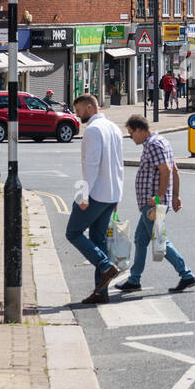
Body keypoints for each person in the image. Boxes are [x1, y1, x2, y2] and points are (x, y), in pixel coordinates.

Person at [117, 115, 195, 294]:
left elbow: (166, 170)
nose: (131, 137)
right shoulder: (162, 142)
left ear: (140, 130)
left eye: (131, 134)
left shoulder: (153, 144)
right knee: (140, 239)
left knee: (161, 241)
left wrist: (159, 197)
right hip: (153, 203)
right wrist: (175, 195)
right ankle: (134, 279)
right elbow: (174, 170)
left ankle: (186, 275)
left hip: (153, 204)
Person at [64, 93, 124, 306]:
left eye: (79, 111)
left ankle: (105, 265)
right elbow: (119, 164)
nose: (78, 116)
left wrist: (83, 195)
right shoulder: (114, 128)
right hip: (111, 193)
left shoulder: (93, 130)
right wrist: (118, 194)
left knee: (73, 232)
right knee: (98, 240)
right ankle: (101, 292)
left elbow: (91, 165)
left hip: (95, 193)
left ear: (89, 107)